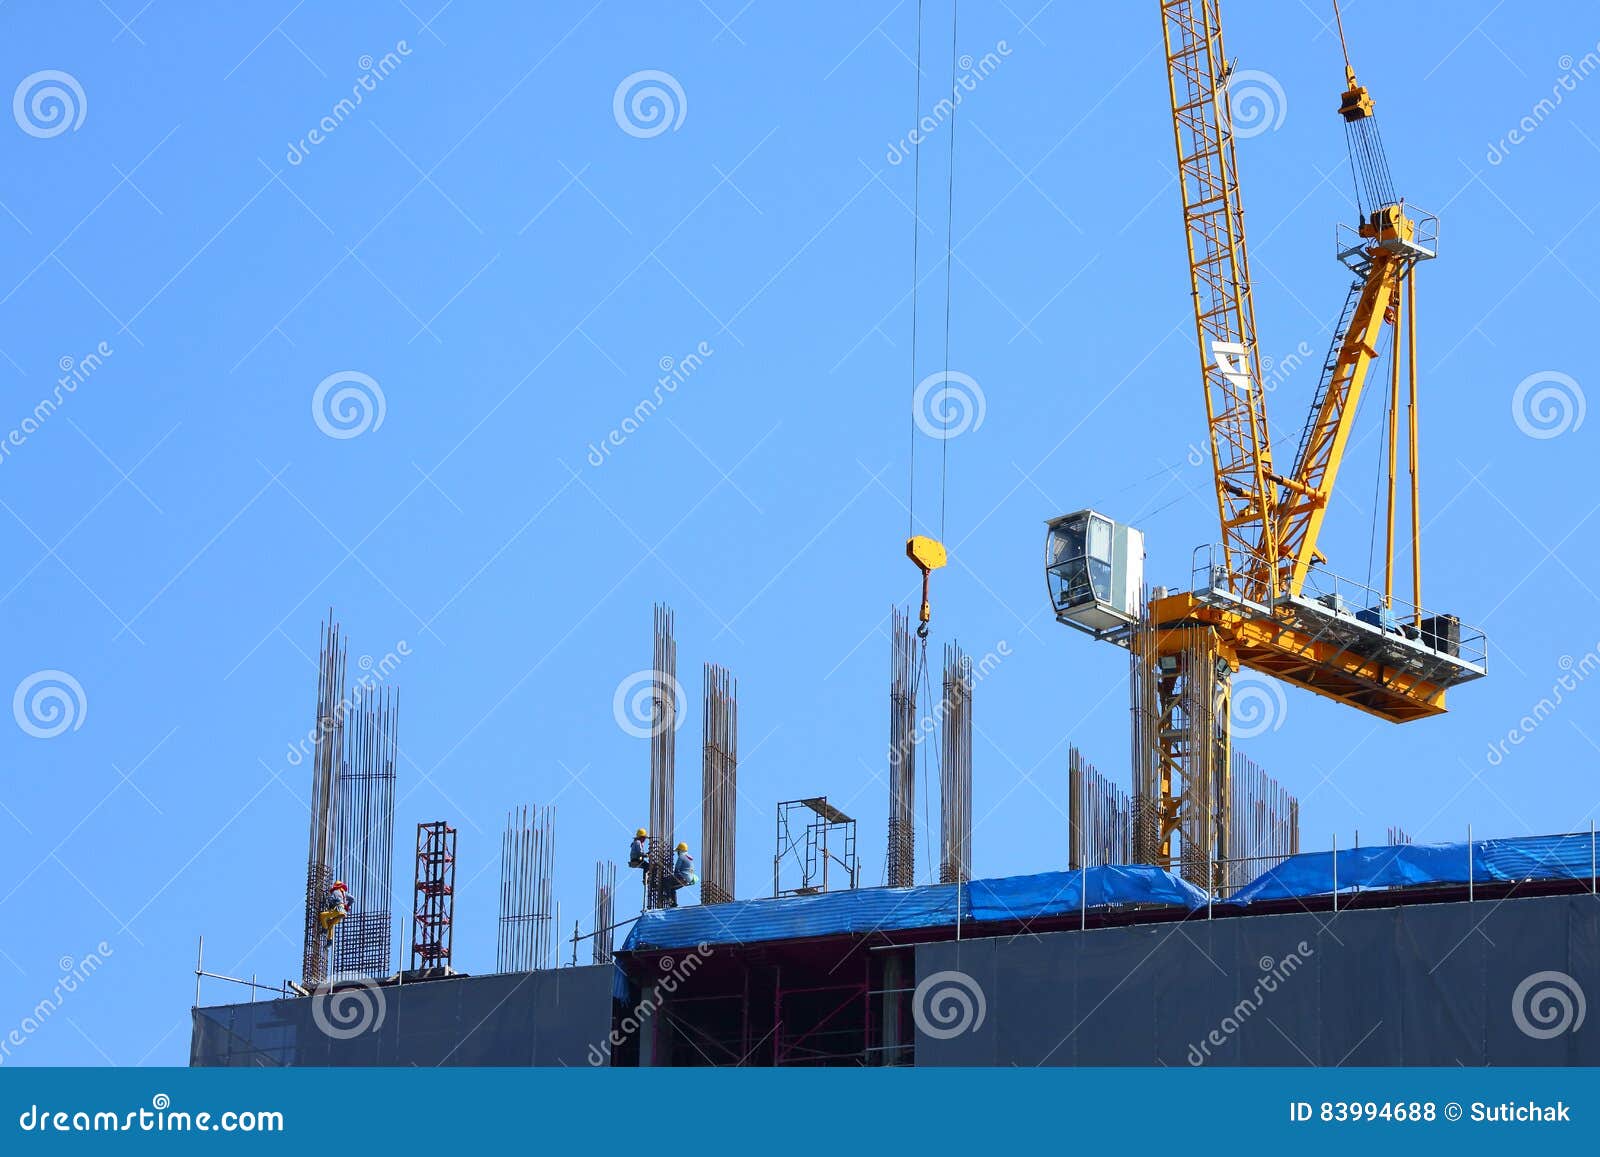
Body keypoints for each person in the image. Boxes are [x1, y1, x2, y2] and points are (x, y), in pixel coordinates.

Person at [318, 881, 353, 945]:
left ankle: (325, 928)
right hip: (343, 913)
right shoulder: (344, 893)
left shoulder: (335, 891)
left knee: (322, 915)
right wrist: (347, 906)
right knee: (330, 924)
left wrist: (326, 900)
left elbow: (330, 900)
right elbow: (352, 899)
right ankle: (329, 941)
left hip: (337, 910)